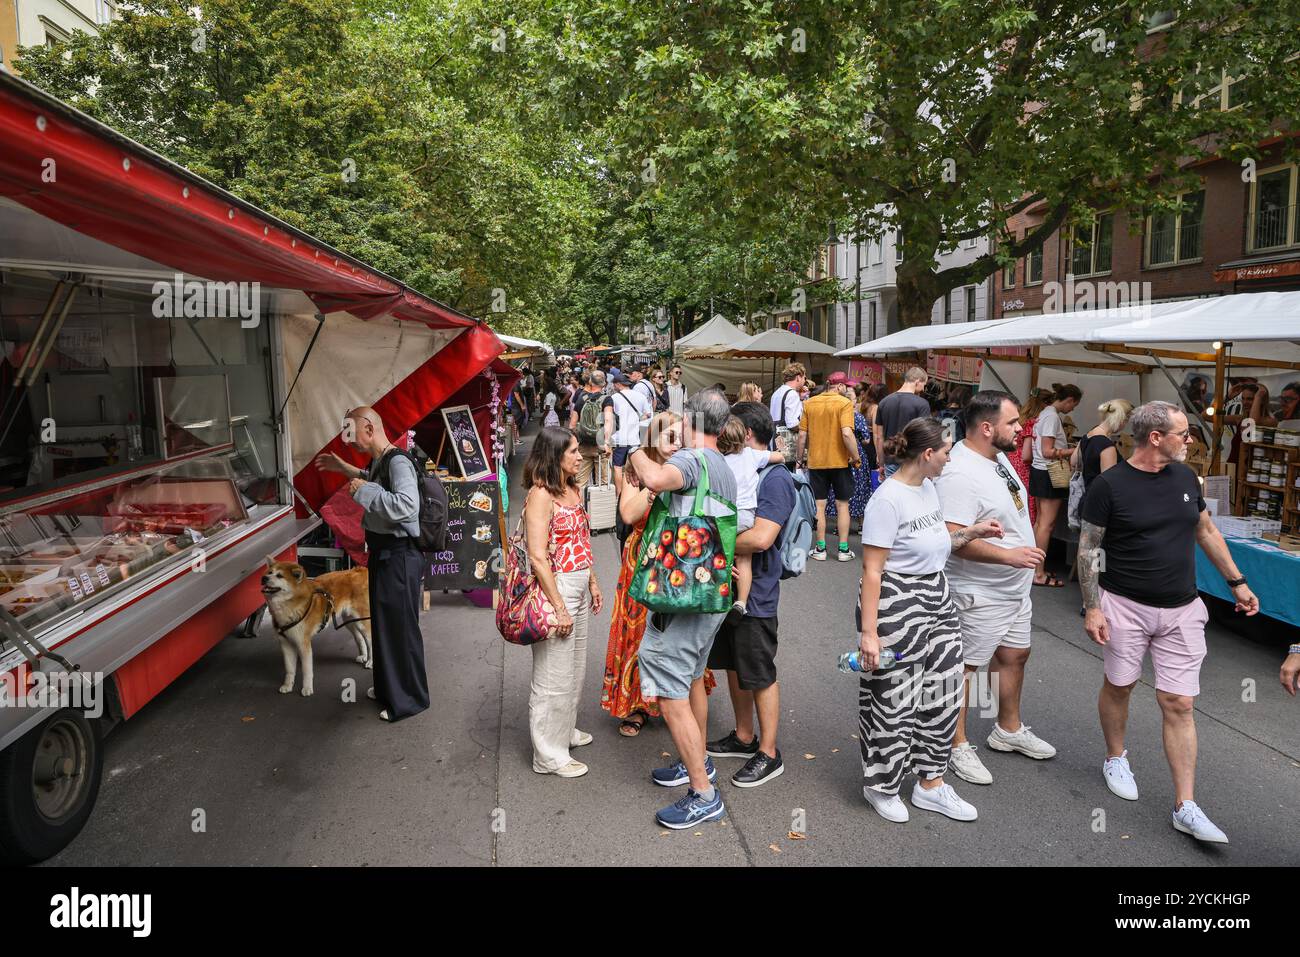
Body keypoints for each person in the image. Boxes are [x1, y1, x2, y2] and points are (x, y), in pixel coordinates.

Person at [1079, 401, 1259, 844]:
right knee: (1121, 685)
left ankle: (1186, 805)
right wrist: (1093, 606)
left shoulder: (1184, 477)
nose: (1190, 439)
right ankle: (1116, 756)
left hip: (1182, 608)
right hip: (1124, 605)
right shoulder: (1109, 485)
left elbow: (1205, 531)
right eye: (1184, 432)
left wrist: (1236, 581)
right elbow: (1088, 549)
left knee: (1180, 703)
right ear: (1155, 437)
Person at [857, 417, 1005, 823]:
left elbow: (938, 544)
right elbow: (872, 570)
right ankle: (882, 786)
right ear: (927, 454)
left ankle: (931, 783)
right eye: (945, 451)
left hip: (936, 597)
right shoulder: (887, 499)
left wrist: (972, 532)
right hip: (896, 601)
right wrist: (870, 634)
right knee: (894, 700)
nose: (949, 458)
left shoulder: (928, 488)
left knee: (944, 694)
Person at [625, 390, 737, 828]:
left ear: (692, 422)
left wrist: (634, 448)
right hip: (709, 594)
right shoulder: (722, 466)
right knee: (690, 677)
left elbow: (652, 479)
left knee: (668, 688)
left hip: (684, 597)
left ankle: (703, 793)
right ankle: (700, 762)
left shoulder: (694, 461)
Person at [935, 391, 1054, 787]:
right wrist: (1009, 557)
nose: (1021, 429)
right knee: (965, 669)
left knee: (1016, 654)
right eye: (1014, 423)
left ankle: (1008, 729)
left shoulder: (998, 457)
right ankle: (955, 745)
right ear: (987, 429)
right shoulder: (959, 473)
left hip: (1013, 589)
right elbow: (952, 537)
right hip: (979, 591)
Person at [602, 412, 716, 737]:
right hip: (642, 559)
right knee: (638, 632)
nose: (678, 441)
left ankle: (675, 699)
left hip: (680, 559)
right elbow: (627, 514)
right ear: (655, 437)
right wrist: (653, 487)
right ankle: (638, 705)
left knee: (678, 631)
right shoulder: (637, 470)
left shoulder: (690, 467)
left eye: (682, 435)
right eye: (671, 435)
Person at [315, 407, 429, 722]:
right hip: (385, 555)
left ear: (368, 427)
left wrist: (364, 491)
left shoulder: (399, 462)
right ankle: (388, 690)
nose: (347, 441)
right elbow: (375, 481)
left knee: (400, 629)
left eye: (350, 433)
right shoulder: (382, 461)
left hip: (400, 555)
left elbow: (407, 507)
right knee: (383, 625)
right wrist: (348, 469)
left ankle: (408, 700)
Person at [706, 402, 797, 787]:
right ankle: (744, 737)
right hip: (726, 588)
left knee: (758, 672)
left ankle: (769, 751)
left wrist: (711, 540)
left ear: (744, 432)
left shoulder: (775, 477)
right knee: (733, 665)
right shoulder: (735, 464)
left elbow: (761, 538)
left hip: (756, 593)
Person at [522, 427, 604, 778]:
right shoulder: (541, 495)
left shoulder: (571, 488)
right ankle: (548, 754)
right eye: (572, 451)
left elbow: (582, 538)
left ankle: (563, 732)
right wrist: (558, 605)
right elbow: (538, 557)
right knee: (552, 675)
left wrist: (593, 580)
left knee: (574, 669)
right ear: (555, 456)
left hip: (578, 583)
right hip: (555, 588)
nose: (579, 456)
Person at [717, 414, 783, 618]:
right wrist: (779, 450)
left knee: (721, 551)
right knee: (744, 559)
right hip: (746, 515)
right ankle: (742, 602)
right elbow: (778, 457)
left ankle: (720, 588)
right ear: (745, 435)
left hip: (723, 514)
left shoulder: (718, 461)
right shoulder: (751, 455)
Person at [798, 370, 861, 561]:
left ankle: (820, 548)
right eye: (846, 386)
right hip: (841, 462)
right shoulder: (844, 403)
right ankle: (843, 550)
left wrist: (800, 459)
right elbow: (847, 434)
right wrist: (855, 457)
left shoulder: (809, 403)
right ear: (840, 386)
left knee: (819, 505)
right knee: (843, 505)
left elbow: (802, 436)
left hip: (817, 462)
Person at [1028, 383, 1081, 588]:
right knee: (1046, 525)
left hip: (1040, 471)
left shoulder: (1045, 413)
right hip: (1050, 472)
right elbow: (1048, 451)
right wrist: (1074, 450)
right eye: (1073, 405)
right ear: (1068, 400)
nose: (1072, 410)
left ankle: (1033, 568)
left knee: (1041, 523)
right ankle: (1038, 573)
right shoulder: (1051, 417)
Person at [873, 367, 931, 481]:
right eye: (923, 384)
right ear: (917, 381)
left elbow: (879, 437)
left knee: (893, 494)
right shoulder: (922, 404)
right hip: (912, 461)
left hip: (890, 459)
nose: (923, 389)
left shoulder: (884, 402)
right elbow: (924, 436)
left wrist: (881, 463)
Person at [604, 372, 652, 495]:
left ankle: (619, 495)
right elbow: (648, 415)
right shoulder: (640, 396)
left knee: (618, 467)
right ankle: (636, 493)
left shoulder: (614, 398)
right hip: (635, 438)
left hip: (619, 438)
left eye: (614, 384)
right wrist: (636, 420)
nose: (613, 387)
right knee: (635, 467)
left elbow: (609, 418)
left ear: (619, 384)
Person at [1072, 398, 1133, 494]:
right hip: (1099, 500)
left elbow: (1073, 461)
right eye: (1126, 422)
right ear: (1121, 420)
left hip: (1086, 495)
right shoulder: (1106, 445)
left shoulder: (1087, 436)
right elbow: (1109, 483)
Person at [1014, 388, 1052, 526]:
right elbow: (1026, 455)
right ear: (1046, 405)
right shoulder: (1033, 423)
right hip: (1024, 469)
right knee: (1028, 508)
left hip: (1012, 464)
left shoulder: (1020, 418)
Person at [569, 370, 608, 489]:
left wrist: (576, 442)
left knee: (579, 483)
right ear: (604, 384)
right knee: (603, 483)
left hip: (584, 445)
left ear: (590, 382)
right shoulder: (607, 399)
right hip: (601, 447)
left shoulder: (582, 398)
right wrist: (606, 443)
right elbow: (608, 421)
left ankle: (580, 506)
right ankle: (599, 507)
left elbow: (572, 425)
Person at [768, 362, 807, 462]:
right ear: (798, 377)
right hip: (787, 444)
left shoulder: (777, 392)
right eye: (804, 378)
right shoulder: (792, 394)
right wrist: (806, 426)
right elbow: (792, 423)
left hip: (775, 440)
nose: (804, 381)